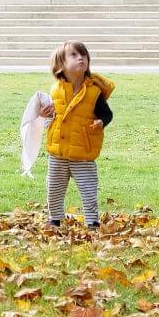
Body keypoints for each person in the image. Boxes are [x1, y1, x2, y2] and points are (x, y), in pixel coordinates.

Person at [43, 40, 114, 229]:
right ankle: (55, 219)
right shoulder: (55, 89)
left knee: (88, 188)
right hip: (58, 152)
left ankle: (92, 222)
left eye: (83, 55)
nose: (80, 58)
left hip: (83, 151)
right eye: (73, 55)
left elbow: (107, 114)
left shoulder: (94, 92)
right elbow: (50, 118)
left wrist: (101, 121)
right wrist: (45, 114)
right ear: (61, 64)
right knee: (54, 189)